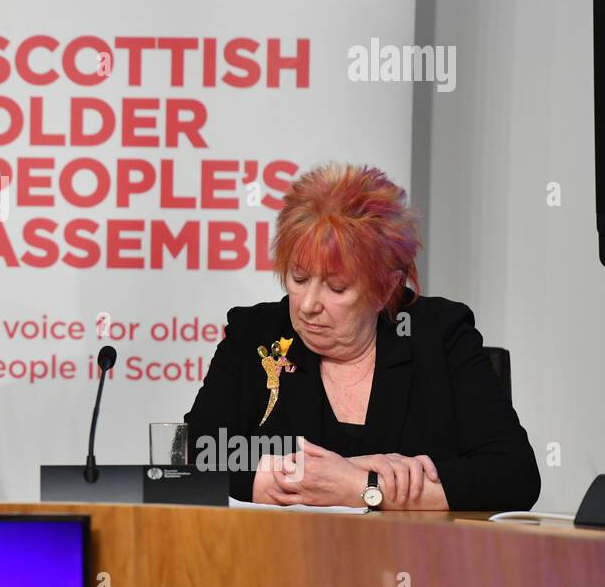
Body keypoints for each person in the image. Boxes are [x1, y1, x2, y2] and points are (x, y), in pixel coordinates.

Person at [187, 163, 540, 511]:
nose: (308, 305)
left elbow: (513, 474)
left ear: (385, 287)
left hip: (415, 562)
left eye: (336, 287)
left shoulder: (439, 334)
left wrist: (362, 487)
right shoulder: (257, 333)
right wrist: (324, 478)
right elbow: (196, 454)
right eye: (298, 279)